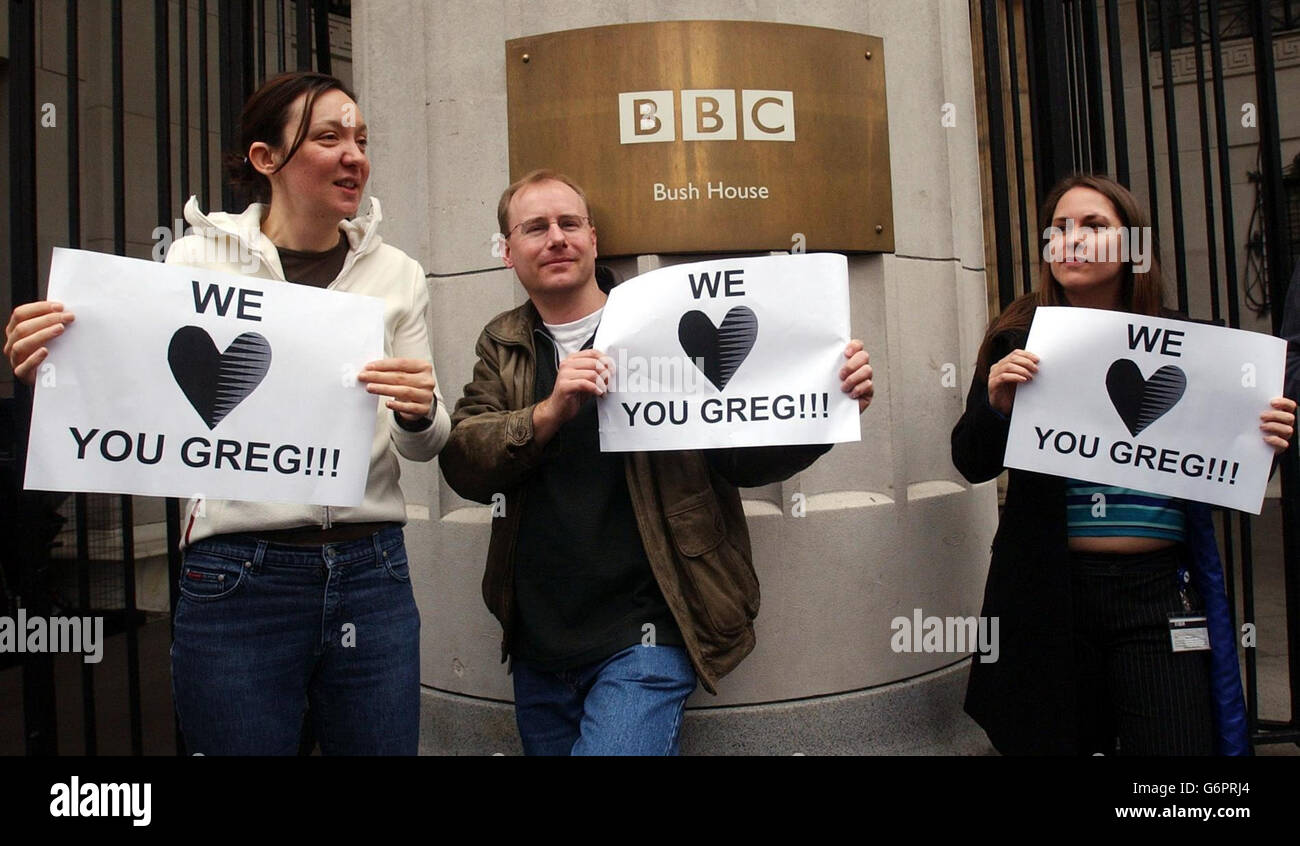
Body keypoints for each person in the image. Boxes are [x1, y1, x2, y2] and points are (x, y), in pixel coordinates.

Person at [4, 71, 451, 755]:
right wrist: (55, 360)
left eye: (360, 138)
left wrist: (420, 414)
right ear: (265, 159)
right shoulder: (192, 260)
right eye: (328, 137)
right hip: (238, 577)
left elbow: (424, 445)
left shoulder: (399, 274)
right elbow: (129, 384)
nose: (353, 155)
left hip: (373, 575)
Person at [439, 170, 875, 756]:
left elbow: (741, 457)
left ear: (593, 238)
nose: (556, 238)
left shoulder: (659, 319)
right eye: (535, 228)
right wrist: (548, 412)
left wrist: (826, 406)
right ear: (508, 252)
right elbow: (465, 461)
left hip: (650, 628)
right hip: (539, 640)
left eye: (569, 223)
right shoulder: (502, 342)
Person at [951, 173, 1296, 755]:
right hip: (1050, 593)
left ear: (1134, 246)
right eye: (1059, 228)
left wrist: (1263, 439)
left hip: (1161, 596)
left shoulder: (1194, 344)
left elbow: (1229, 478)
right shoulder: (1018, 337)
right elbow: (971, 461)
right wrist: (995, 406)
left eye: (1093, 226)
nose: (1072, 240)